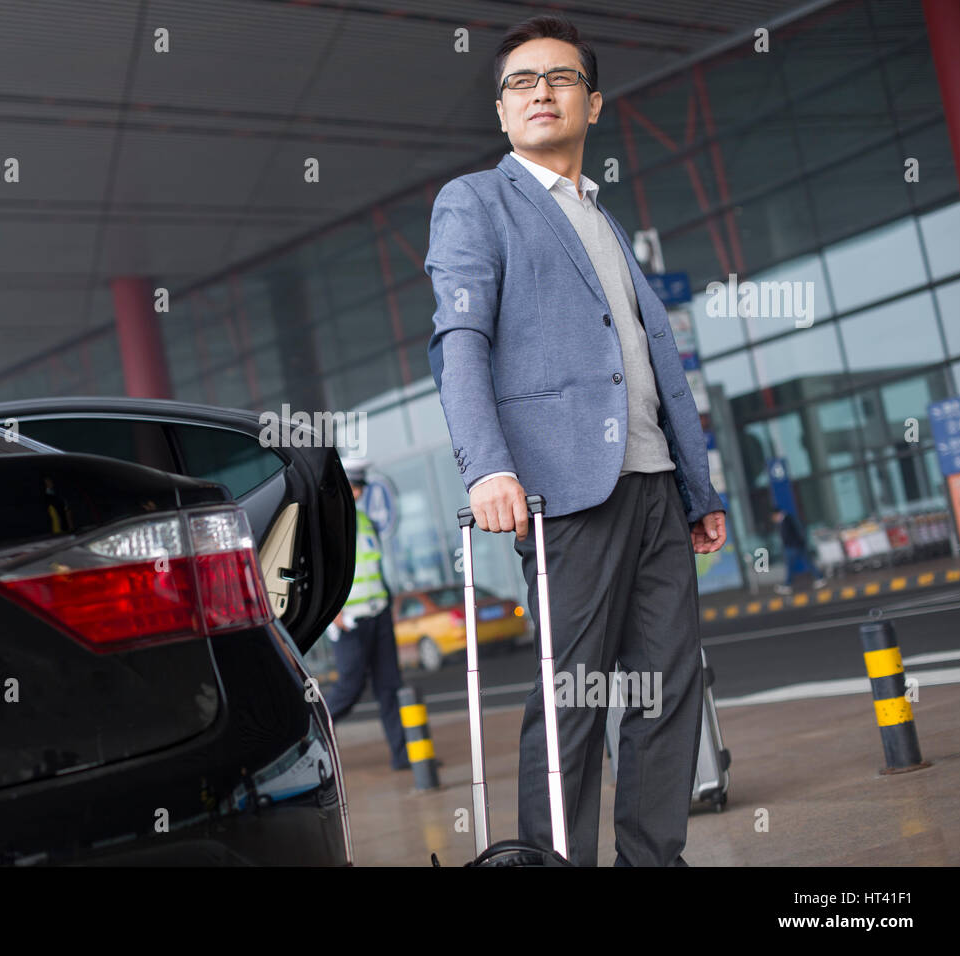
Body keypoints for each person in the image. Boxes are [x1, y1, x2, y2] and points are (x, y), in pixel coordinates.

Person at [425, 15, 727, 866]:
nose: (539, 93)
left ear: (592, 104)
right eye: (520, 83)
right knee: (573, 701)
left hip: (655, 485)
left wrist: (697, 490)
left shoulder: (604, 219)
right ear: (501, 112)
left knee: (668, 693)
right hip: (564, 492)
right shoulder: (477, 202)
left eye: (558, 79)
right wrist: (487, 465)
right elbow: (460, 343)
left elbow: (650, 363)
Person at [321, 460, 410, 772]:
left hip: (379, 616)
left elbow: (374, 567)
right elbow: (321, 573)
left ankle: (403, 757)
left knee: (390, 687)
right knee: (350, 687)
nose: (356, 494)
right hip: (350, 623)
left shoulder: (365, 520)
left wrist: (387, 600)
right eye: (353, 488)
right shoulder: (327, 524)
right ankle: (311, 739)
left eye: (359, 489)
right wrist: (333, 615)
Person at [772, 508, 826, 593]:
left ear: (777, 514)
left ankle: (788, 585)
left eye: (774, 516)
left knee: (792, 565)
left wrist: (798, 542)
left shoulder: (788, 519)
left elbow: (797, 532)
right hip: (794, 546)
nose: (774, 519)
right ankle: (819, 578)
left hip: (794, 546)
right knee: (805, 562)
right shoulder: (784, 521)